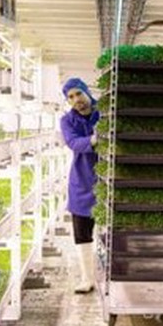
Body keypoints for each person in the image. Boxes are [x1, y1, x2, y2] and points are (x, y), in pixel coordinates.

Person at [59, 77, 99, 293]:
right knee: (82, 232)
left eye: (78, 94)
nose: (76, 100)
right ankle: (87, 279)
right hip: (82, 180)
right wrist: (93, 140)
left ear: (87, 91)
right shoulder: (67, 121)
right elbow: (73, 142)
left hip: (109, 178)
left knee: (114, 230)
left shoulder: (105, 112)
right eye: (71, 97)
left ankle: (114, 272)